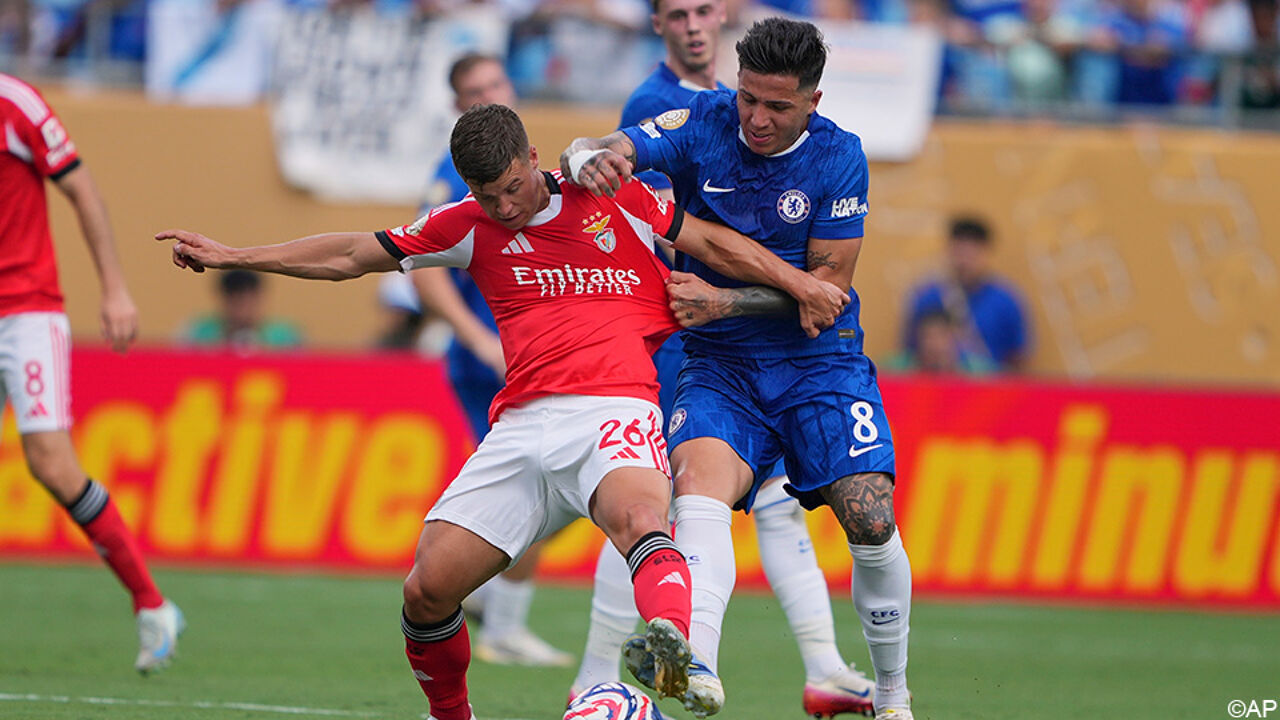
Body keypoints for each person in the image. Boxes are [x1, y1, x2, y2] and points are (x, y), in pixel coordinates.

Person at [157, 103, 849, 720]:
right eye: (488, 196)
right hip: (521, 427)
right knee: (427, 591)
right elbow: (350, 253)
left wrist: (798, 284)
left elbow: (711, 242)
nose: (505, 207)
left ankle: (683, 656)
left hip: (612, 404)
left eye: (513, 188)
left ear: (533, 161)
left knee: (641, 519)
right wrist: (233, 256)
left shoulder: (614, 197)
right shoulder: (467, 225)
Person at [561, 17, 916, 720]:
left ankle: (894, 697)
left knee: (871, 522)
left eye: (777, 106)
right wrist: (587, 154)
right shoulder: (703, 119)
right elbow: (618, 146)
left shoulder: (840, 158)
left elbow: (823, 299)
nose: (755, 117)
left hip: (818, 363)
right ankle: (693, 670)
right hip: (719, 363)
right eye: (749, 98)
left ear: (812, 102)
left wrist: (723, 299)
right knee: (696, 492)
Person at [0, 72, 183, 674]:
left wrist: (115, 290)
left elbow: (83, 191)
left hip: (26, 311)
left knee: (51, 464)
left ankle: (151, 602)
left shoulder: (16, 103)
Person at [416, 52, 573, 668]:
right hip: (492, 364)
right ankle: (499, 619)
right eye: (472, 90)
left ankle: (485, 585)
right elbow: (420, 273)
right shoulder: (454, 177)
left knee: (560, 490)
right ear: (457, 106)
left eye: (494, 84)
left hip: (533, 358)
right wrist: (478, 341)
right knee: (538, 490)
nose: (485, 94)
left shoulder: (524, 168)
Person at [902, 216, 1029, 372]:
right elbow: (910, 352)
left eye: (972, 253)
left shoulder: (1006, 302)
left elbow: (1018, 358)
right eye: (959, 252)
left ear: (986, 253)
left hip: (990, 391)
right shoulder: (927, 297)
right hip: (935, 391)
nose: (965, 261)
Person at [181, 269, 303, 349]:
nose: (243, 308)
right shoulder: (199, 334)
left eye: (248, 300)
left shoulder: (284, 337)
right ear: (224, 299)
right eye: (236, 301)